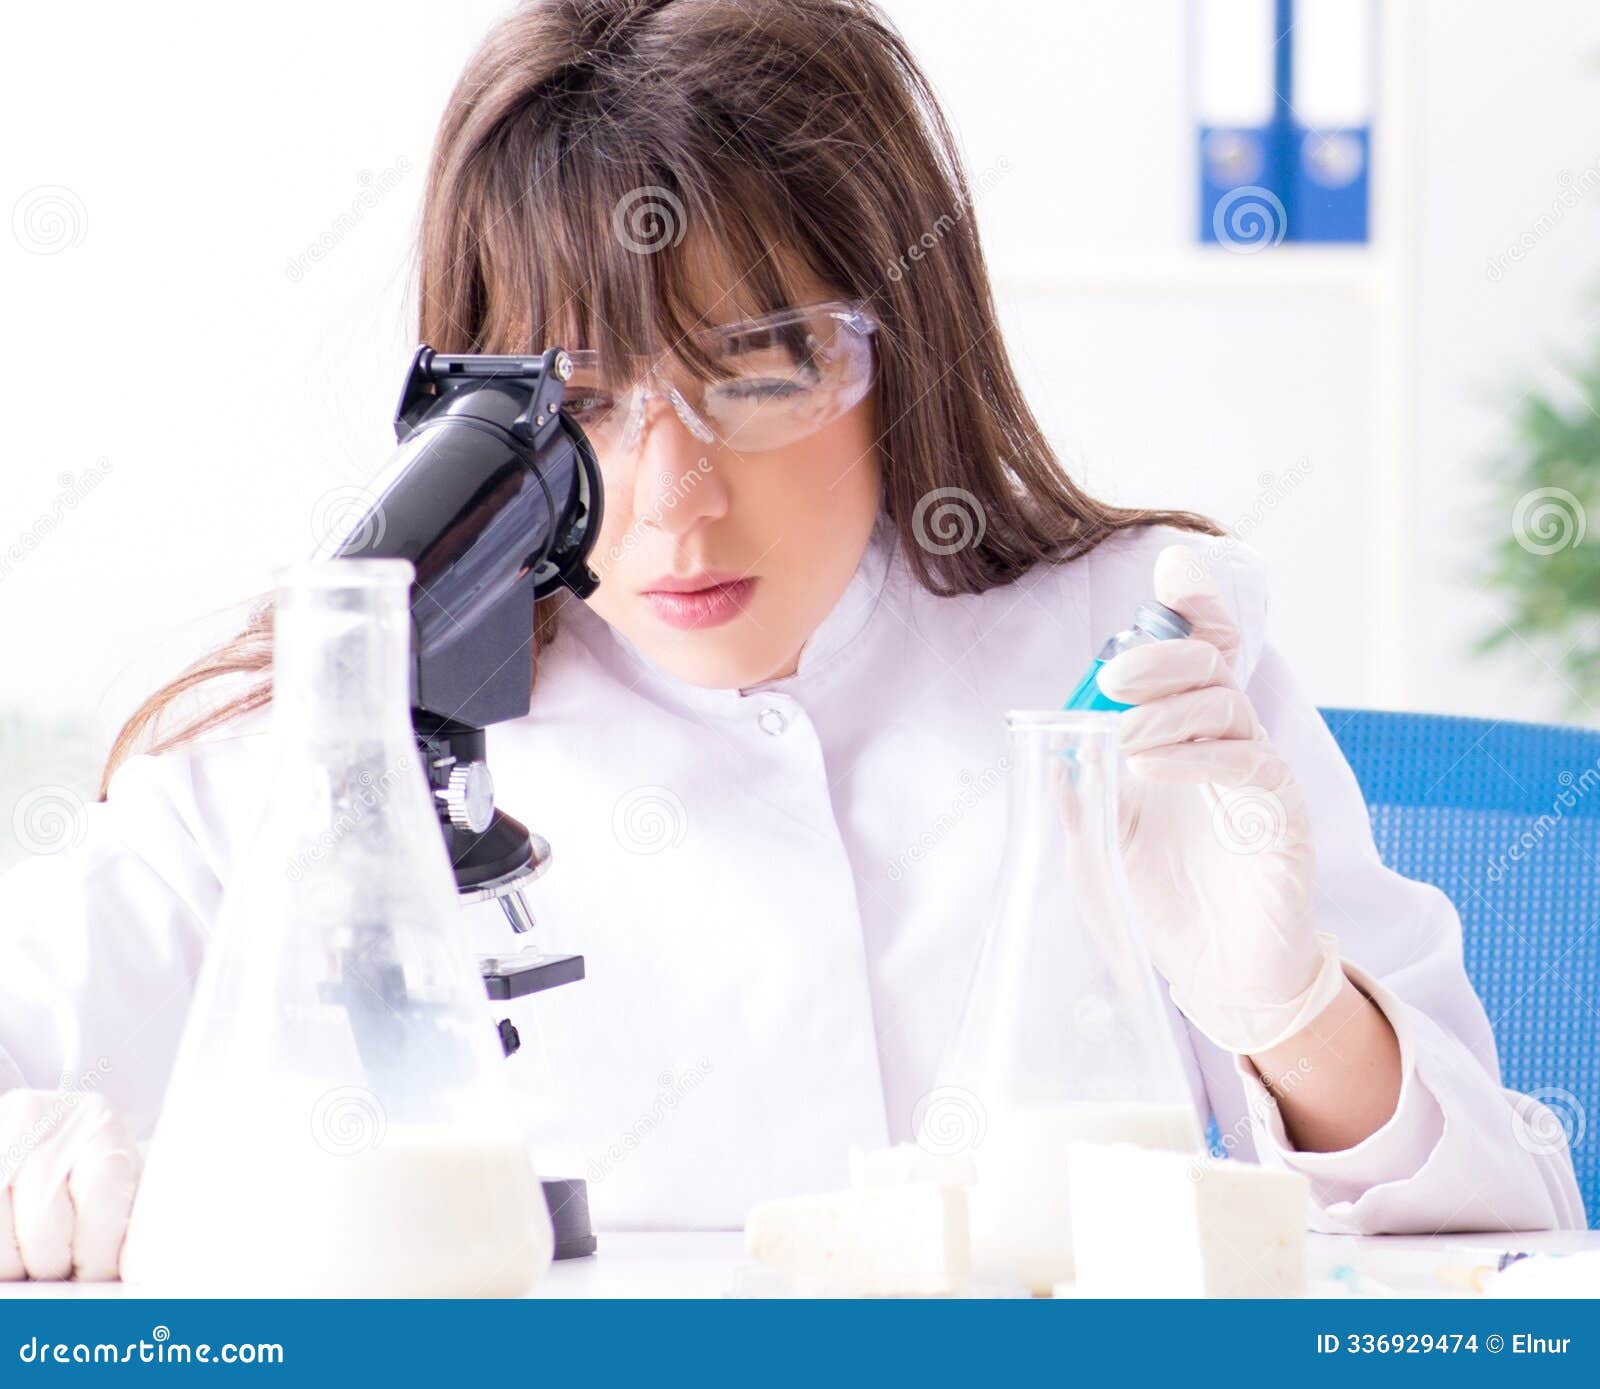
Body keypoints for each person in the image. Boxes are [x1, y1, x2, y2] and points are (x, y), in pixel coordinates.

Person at [0, 0, 1583, 1280]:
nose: (676, 499)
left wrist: (1286, 1005)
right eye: (587, 399)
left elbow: (1510, 1240)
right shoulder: (333, 739)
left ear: (911, 343)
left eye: (760, 369)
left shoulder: (1132, 647)